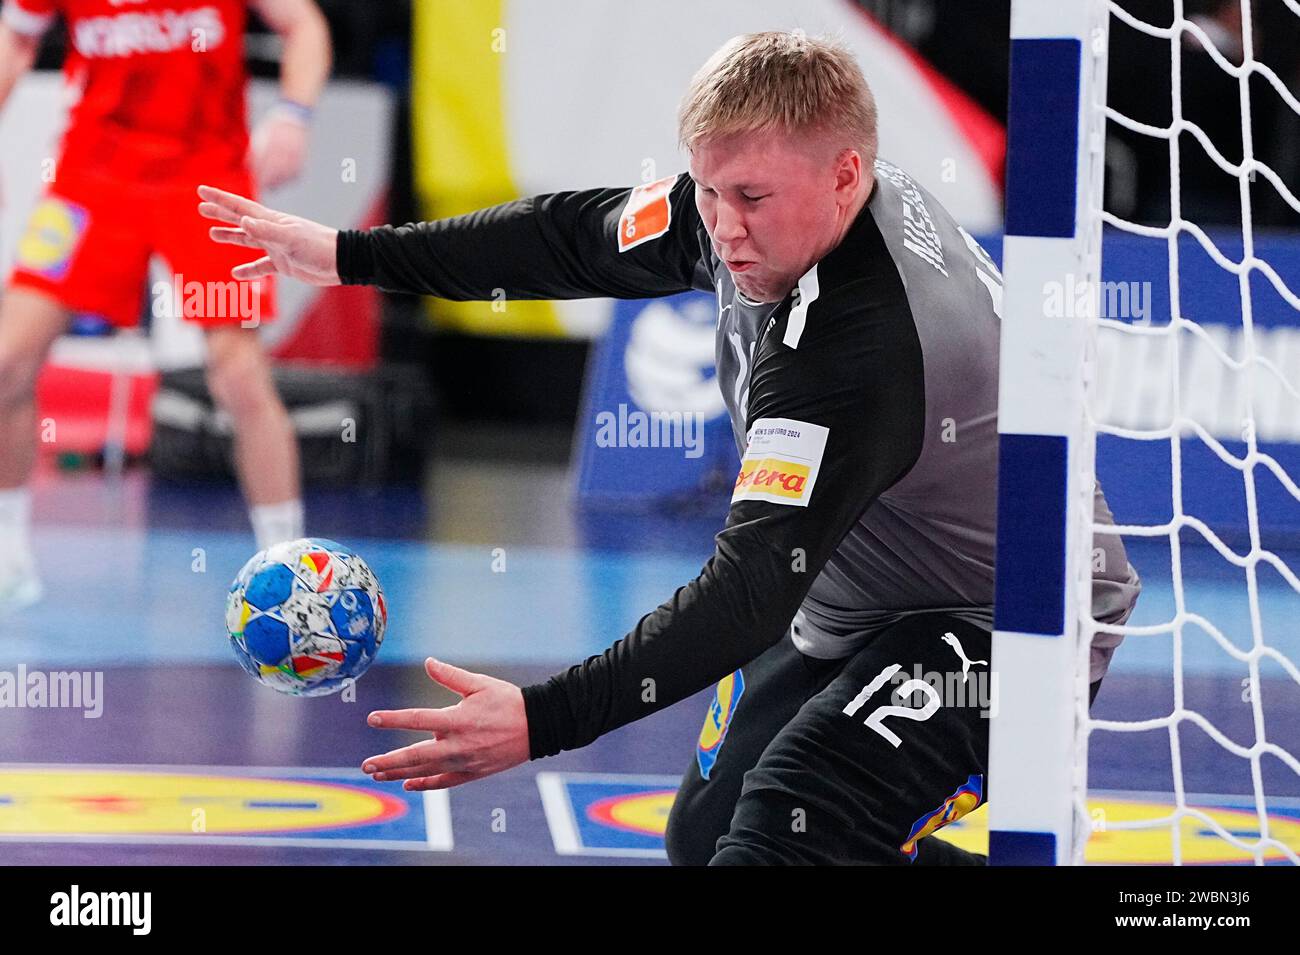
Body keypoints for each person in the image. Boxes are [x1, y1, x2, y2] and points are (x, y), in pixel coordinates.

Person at [200, 30, 1142, 865]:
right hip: (865, 589)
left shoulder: (855, 349)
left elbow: (745, 593)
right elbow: (570, 238)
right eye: (708, 189)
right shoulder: (757, 207)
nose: (722, 227)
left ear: (847, 175)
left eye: (752, 198)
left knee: (787, 824)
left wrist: (540, 718)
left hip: (1010, 619)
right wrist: (357, 256)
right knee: (707, 834)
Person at [0, 0, 332, 614]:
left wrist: (294, 115)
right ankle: (8, 555)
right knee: (8, 362)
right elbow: (16, 40)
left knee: (237, 374)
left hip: (205, 182)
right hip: (93, 180)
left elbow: (303, 23)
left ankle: (293, 574)